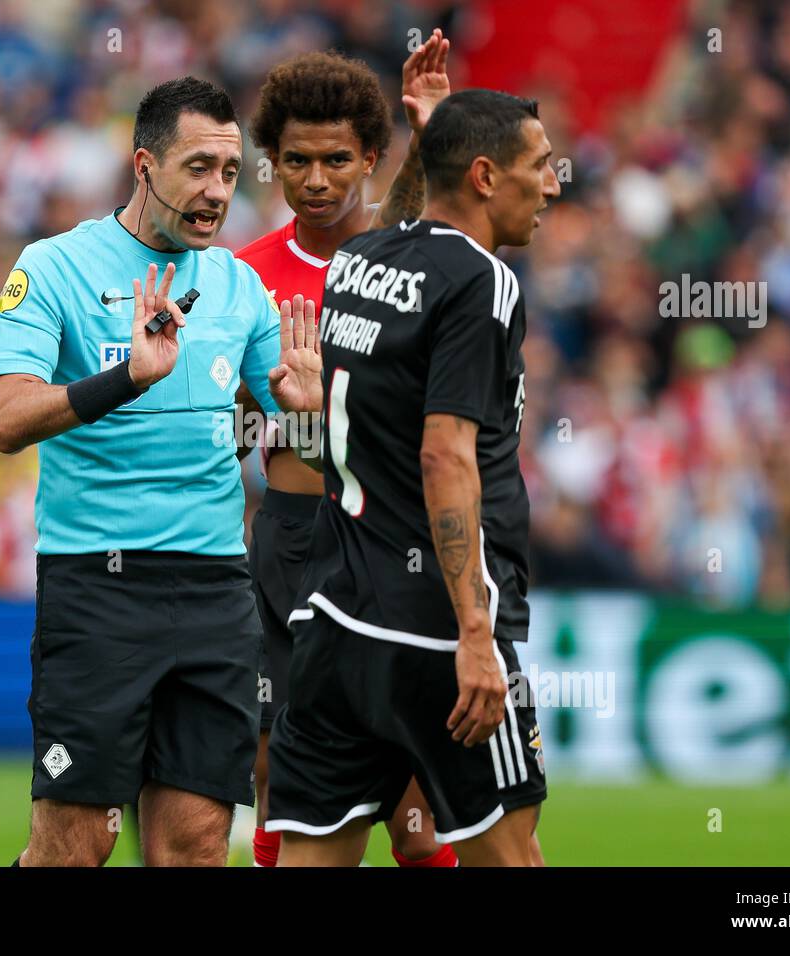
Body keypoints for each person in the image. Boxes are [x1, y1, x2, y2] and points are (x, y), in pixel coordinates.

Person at [0, 76, 321, 866]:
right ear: (144, 164)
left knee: (197, 845)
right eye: (198, 168)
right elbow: (5, 421)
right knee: (74, 845)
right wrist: (126, 378)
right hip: (97, 588)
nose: (216, 191)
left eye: (231, 174)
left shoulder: (239, 286)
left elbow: (308, 443)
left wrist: (307, 410)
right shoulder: (54, 266)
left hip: (214, 591)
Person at [265, 88, 561, 866]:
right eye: (541, 166)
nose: (554, 184)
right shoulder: (483, 282)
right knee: (512, 856)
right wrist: (474, 635)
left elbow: (350, 439)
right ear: (489, 176)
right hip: (435, 627)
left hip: (333, 618)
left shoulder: (358, 261)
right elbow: (442, 455)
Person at [235, 32, 459, 867]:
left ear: (369, 156)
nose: (317, 181)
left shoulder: (404, 261)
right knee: (280, 780)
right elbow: (224, 428)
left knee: (414, 807)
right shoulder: (240, 276)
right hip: (292, 534)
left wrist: (430, 125)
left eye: (337, 160)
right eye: (296, 162)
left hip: (389, 540)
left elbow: (414, 216)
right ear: (274, 162)